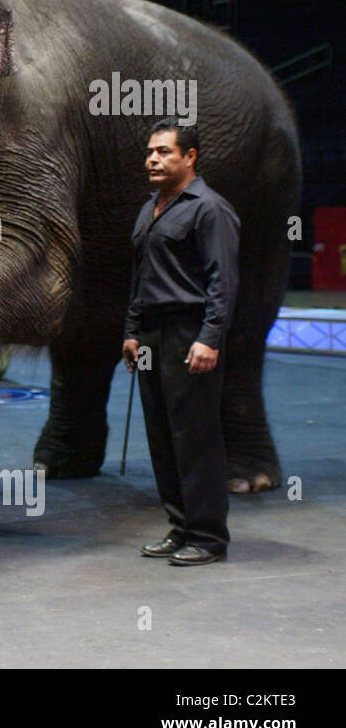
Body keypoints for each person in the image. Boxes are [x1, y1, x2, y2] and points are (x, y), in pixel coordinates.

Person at [123, 117, 239, 567]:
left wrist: (210, 339)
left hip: (189, 333)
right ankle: (180, 527)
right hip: (151, 332)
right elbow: (140, 277)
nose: (152, 159)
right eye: (150, 152)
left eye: (164, 152)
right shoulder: (150, 207)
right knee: (162, 436)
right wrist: (132, 332)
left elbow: (222, 283)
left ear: (189, 157)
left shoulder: (209, 209)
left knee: (195, 436)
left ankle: (208, 537)